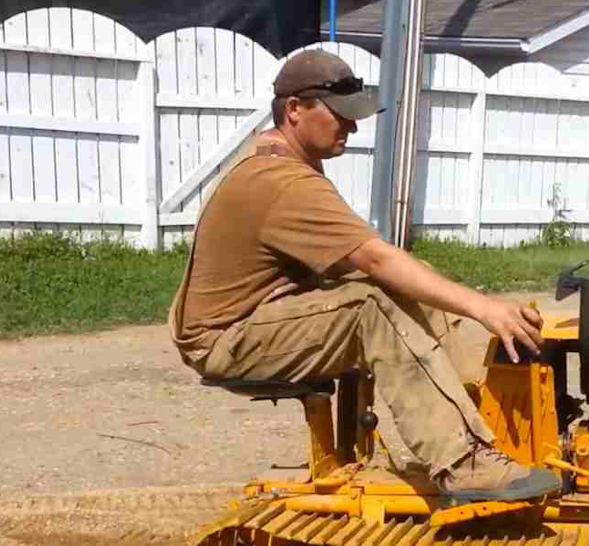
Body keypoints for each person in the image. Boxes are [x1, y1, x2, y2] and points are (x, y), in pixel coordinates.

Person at [167, 49, 560, 504]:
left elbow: (364, 262)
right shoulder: (282, 180)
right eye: (341, 115)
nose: (352, 127)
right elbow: (375, 259)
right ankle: (464, 464)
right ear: (294, 110)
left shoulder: (278, 160)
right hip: (225, 338)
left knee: (410, 281)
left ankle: (488, 423)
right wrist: (484, 307)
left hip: (261, 317)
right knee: (371, 307)